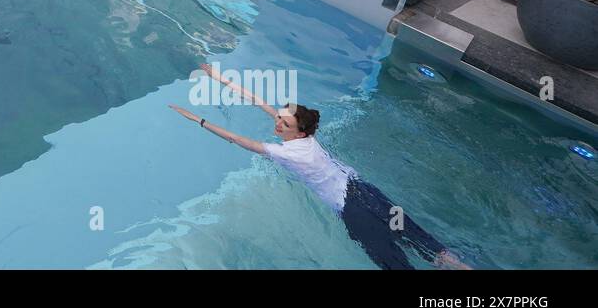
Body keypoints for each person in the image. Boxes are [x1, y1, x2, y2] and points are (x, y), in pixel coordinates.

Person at [170, 64, 470, 270]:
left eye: (282, 122)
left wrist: (196, 119)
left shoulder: (283, 152)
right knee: (422, 240)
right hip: (367, 191)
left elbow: (236, 138)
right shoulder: (307, 137)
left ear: (298, 131)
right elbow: (258, 101)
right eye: (279, 119)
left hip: (354, 210)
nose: (276, 123)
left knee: (393, 263)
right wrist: (218, 78)